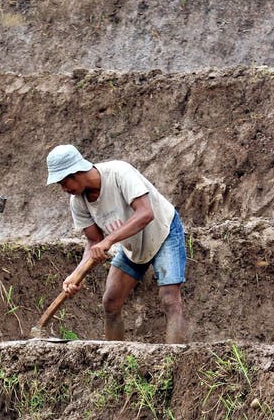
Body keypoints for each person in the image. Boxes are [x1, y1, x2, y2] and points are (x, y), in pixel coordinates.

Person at [46, 144, 186, 344]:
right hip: (131, 245)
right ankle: (115, 360)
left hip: (163, 232)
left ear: (75, 172)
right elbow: (94, 242)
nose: (63, 189)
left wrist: (109, 240)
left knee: (169, 299)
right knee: (110, 302)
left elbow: (146, 213)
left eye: (63, 182)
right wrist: (76, 275)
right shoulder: (78, 202)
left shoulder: (119, 173)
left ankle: (174, 364)